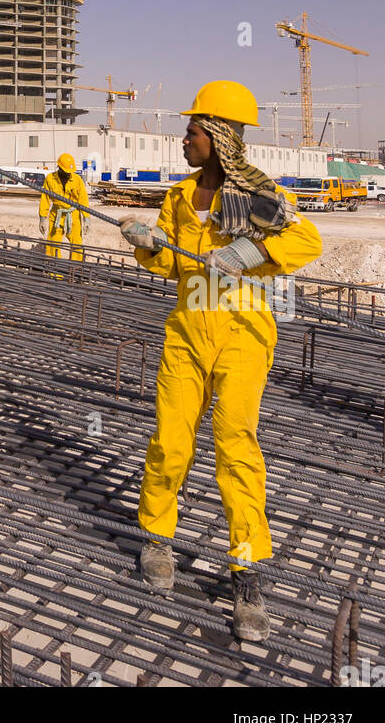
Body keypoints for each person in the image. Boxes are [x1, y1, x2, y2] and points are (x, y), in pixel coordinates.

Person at [119, 80, 322, 642]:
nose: (183, 139)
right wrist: (147, 243)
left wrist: (249, 250)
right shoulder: (181, 196)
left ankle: (246, 567)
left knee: (236, 447)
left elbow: (308, 243)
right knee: (170, 438)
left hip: (242, 334)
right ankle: (158, 537)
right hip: (187, 332)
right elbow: (168, 268)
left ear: (220, 137)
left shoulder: (258, 196)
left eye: (192, 131)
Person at [38, 153, 90, 274]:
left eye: (69, 171)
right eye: (65, 171)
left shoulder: (77, 180)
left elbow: (83, 199)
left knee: (76, 243)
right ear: (59, 167)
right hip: (56, 214)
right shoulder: (50, 179)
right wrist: (42, 217)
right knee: (52, 244)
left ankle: (75, 272)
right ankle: (53, 272)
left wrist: (86, 217)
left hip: (73, 215)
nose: (68, 173)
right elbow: (45, 199)